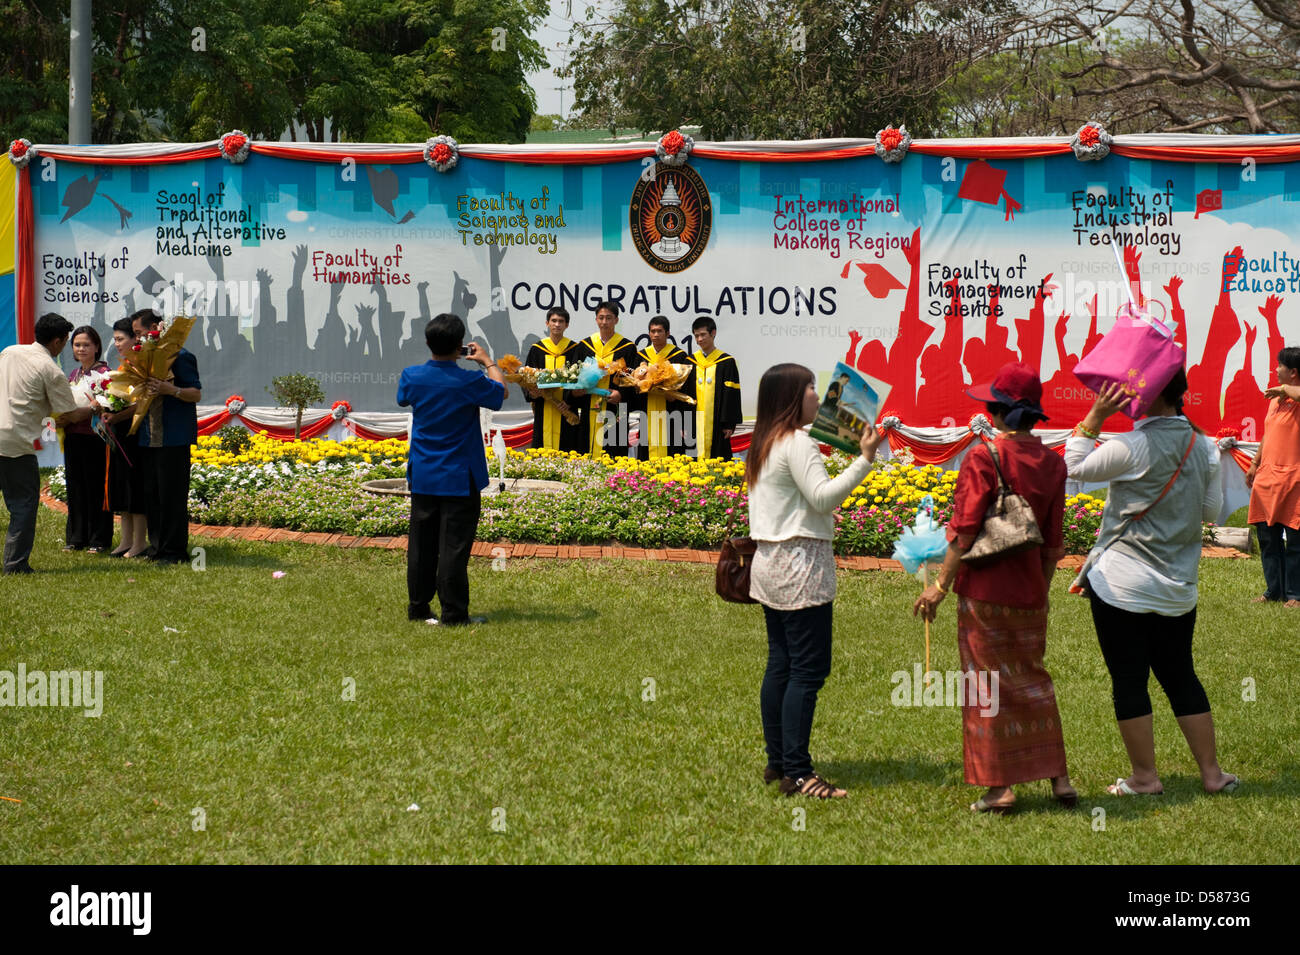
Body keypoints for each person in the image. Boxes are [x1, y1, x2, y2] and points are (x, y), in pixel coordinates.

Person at [1065, 371, 1238, 797]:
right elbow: (1211, 512)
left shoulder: (1131, 444)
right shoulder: (1204, 447)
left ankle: (1145, 778)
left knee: (1129, 679)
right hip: (1179, 586)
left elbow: (1072, 471)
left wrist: (1095, 416)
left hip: (1121, 583)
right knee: (1181, 676)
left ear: (1147, 396)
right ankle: (1213, 775)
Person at [913, 362, 1076, 813]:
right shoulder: (1053, 462)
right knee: (1033, 681)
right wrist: (1041, 594)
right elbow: (1054, 542)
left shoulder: (985, 457)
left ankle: (999, 788)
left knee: (985, 686)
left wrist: (940, 587)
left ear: (998, 412)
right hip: (1030, 593)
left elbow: (963, 530)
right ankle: (1059, 779)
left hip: (984, 592)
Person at [746, 363, 883, 799]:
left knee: (782, 663)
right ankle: (800, 773)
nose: (817, 395)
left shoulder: (765, 442)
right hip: (800, 564)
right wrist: (864, 460)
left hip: (769, 563)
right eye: (809, 387)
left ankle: (779, 760)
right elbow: (823, 496)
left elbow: (800, 502)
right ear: (791, 396)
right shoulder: (798, 443)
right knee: (807, 669)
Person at [398, 313, 506, 625]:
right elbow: (501, 393)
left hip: (424, 474)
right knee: (453, 549)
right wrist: (486, 361)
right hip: (460, 476)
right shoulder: (470, 380)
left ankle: (418, 608)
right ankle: (454, 614)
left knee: (421, 546)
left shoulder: (411, 376)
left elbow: (404, 398)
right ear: (461, 346)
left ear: (428, 342)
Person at [0, 313, 91, 573]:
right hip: (17, 443)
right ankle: (15, 565)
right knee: (23, 506)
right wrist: (94, 407)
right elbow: (70, 413)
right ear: (57, 342)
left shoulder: (9, 352)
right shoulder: (51, 369)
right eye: (66, 342)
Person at [131, 308, 202, 565]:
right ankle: (157, 546)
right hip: (148, 435)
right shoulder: (142, 358)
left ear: (156, 328)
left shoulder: (181, 356)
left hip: (174, 437)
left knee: (172, 496)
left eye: (140, 333)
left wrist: (170, 389)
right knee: (153, 495)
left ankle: (175, 551)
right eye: (135, 335)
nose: (138, 339)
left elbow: (195, 393)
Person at [1245, 346, 1300, 608]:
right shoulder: (1275, 400)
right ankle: (1274, 590)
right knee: (1268, 538)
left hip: (1294, 479)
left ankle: (1295, 594)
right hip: (1267, 476)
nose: (1275, 369)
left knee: (1296, 543)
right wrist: (1255, 463)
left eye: (1279, 366)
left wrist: (1286, 391)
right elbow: (1268, 433)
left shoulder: (1293, 397)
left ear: (1293, 372)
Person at [63, 325, 114, 553]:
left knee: (96, 489)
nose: (81, 349)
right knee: (75, 487)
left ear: (96, 347)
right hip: (74, 436)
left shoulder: (105, 374)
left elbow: (110, 402)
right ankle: (76, 538)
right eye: (77, 344)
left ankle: (99, 539)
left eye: (86, 345)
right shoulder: (73, 375)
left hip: (96, 438)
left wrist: (94, 407)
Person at [573, 301, 639, 458]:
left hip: (616, 409)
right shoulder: (584, 346)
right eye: (601, 318)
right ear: (596, 319)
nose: (604, 322)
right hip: (590, 405)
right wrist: (576, 390)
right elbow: (574, 376)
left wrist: (621, 394)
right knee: (586, 450)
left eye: (609, 318)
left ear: (616, 320)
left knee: (614, 452)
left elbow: (632, 379)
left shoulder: (627, 347)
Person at [106, 317, 148, 558]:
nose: (118, 344)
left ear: (135, 338)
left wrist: (119, 416)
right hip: (120, 434)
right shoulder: (124, 366)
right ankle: (125, 540)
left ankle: (140, 542)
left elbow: (141, 403)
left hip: (135, 433)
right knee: (121, 486)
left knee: (136, 487)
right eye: (115, 340)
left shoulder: (143, 366)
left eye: (121, 339)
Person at [633, 315, 694, 459]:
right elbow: (634, 387)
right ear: (648, 333)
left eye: (659, 331)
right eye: (653, 331)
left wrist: (670, 393)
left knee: (672, 453)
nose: (656, 334)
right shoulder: (641, 356)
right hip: (646, 414)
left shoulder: (679, 356)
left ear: (668, 333)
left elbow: (685, 388)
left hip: (672, 414)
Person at [524, 306, 583, 452]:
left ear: (566, 325)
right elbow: (527, 376)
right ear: (547, 323)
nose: (557, 324)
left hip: (565, 408)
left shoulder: (575, 349)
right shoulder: (537, 349)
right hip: (544, 406)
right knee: (541, 452)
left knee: (567, 450)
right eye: (554, 320)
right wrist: (532, 392)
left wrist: (569, 401)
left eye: (561, 321)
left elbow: (580, 380)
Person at [689, 316, 741, 460]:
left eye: (703, 334)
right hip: (694, 423)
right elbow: (686, 395)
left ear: (713, 333)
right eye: (696, 335)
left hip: (718, 424)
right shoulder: (691, 362)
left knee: (718, 462)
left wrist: (729, 424)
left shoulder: (727, 362)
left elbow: (731, 395)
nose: (699, 339)